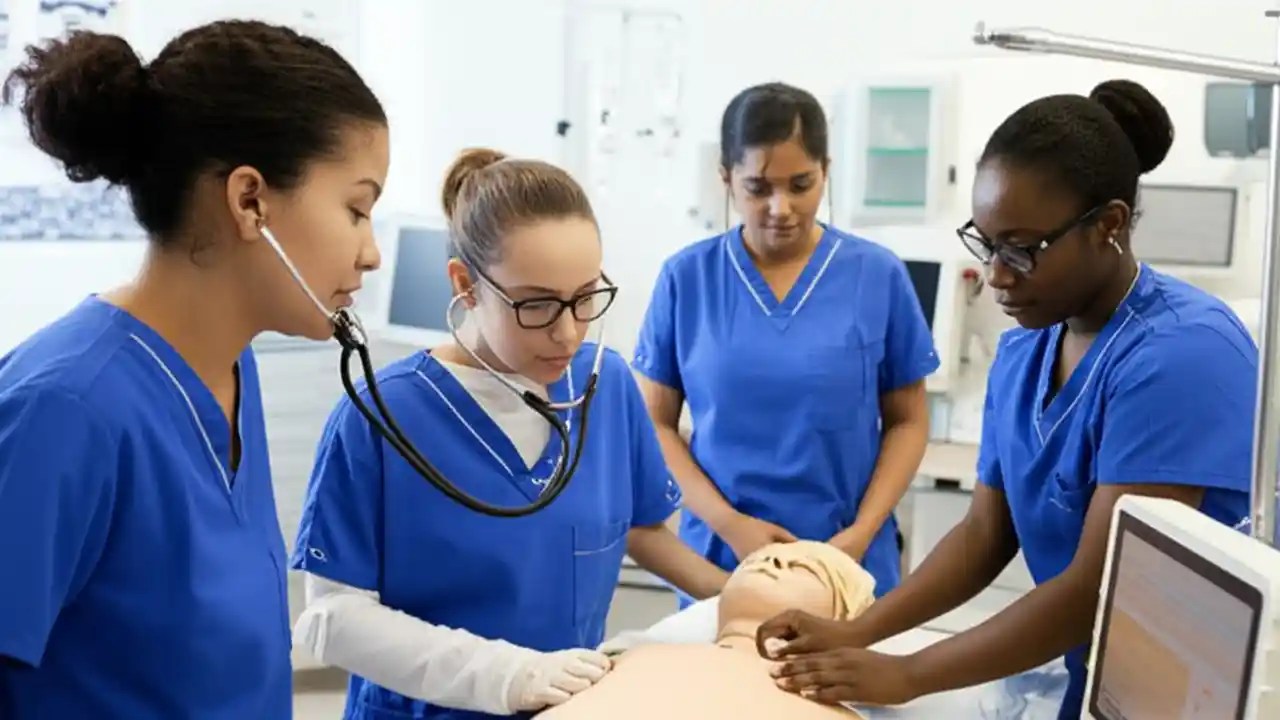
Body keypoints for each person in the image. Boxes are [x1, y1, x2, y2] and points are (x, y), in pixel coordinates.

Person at [758, 79, 1257, 720]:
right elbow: (984, 535)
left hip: (1192, 692)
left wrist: (906, 675)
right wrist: (859, 630)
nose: (996, 274)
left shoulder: (1184, 355)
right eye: (987, 243)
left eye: (1022, 249)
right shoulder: (1025, 353)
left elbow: (1099, 588)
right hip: (1100, 672)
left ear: (1109, 225)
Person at [0, 21, 388, 719]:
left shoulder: (232, 370)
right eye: (356, 210)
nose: (370, 254)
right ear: (249, 201)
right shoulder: (63, 410)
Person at [290, 147, 731, 719]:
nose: (567, 332)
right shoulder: (380, 416)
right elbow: (334, 618)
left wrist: (743, 599)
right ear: (465, 284)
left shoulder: (606, 385)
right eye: (537, 306)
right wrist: (509, 675)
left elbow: (644, 532)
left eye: (584, 298)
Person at [633, 81, 938, 607]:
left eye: (802, 184)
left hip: (848, 560)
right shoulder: (688, 279)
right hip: (724, 562)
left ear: (826, 170)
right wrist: (730, 525)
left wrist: (860, 534)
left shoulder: (876, 275)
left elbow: (908, 419)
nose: (782, 207)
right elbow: (654, 424)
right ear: (727, 179)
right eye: (758, 188)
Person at [539, 542, 875, 720]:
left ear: (843, 622)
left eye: (804, 567)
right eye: (759, 558)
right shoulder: (637, 655)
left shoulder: (824, 704)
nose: (772, 562)